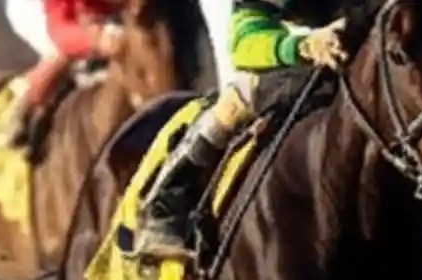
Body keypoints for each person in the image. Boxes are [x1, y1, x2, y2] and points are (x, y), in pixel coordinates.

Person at [131, 0, 346, 260]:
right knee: (240, 95)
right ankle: (168, 204)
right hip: (289, 66)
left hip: (359, 65)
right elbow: (245, 41)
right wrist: (302, 46)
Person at [0, 0, 126, 148]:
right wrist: (96, 39)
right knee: (63, 53)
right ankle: (22, 109)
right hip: (34, 7)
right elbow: (60, 31)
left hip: (85, 9)